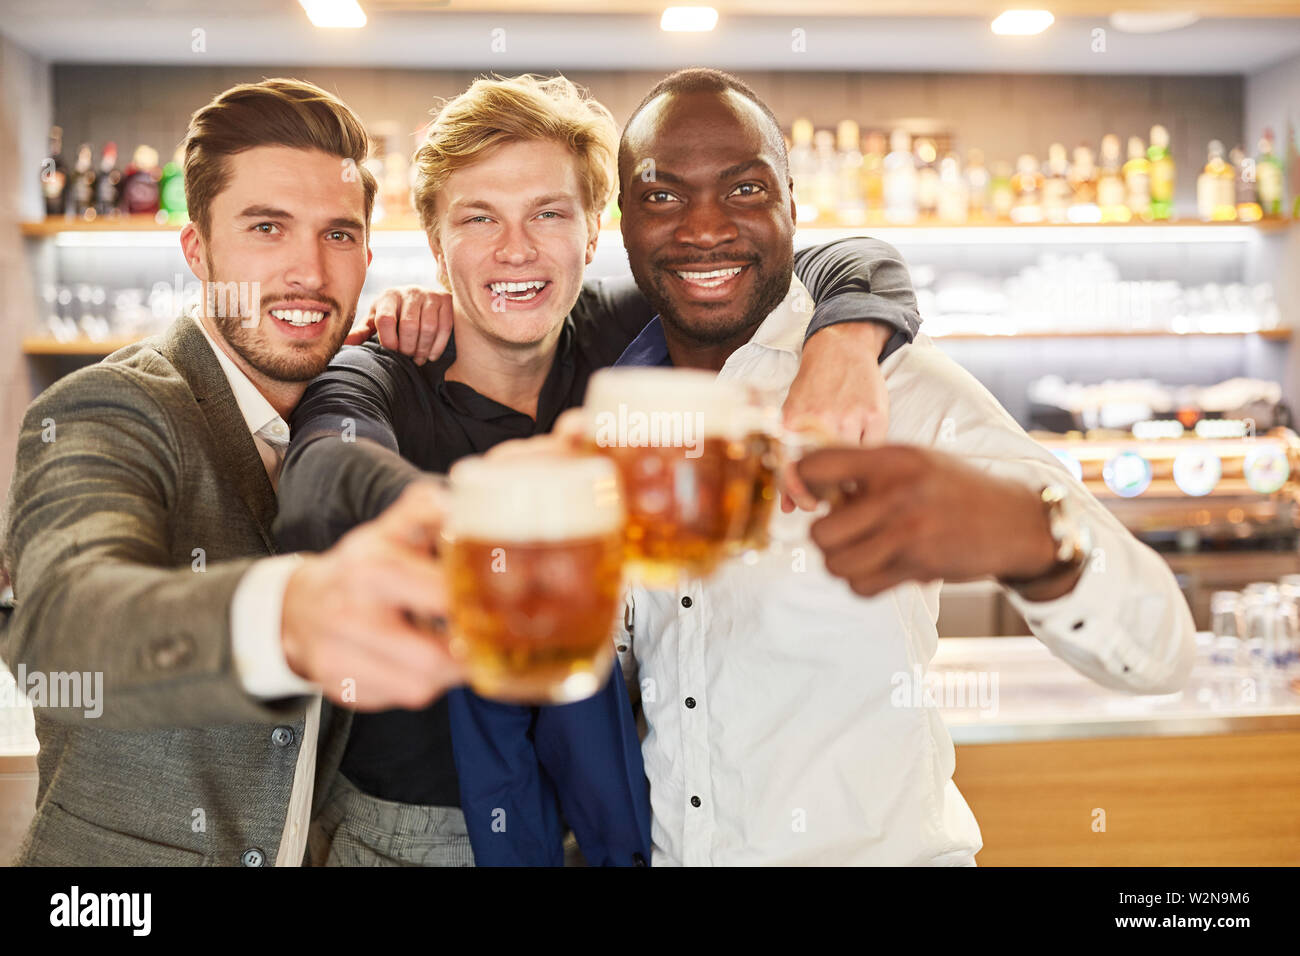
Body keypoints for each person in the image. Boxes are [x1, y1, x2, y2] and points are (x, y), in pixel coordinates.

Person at [274, 73, 923, 866]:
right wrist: (491, 515)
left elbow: (835, 258)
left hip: (618, 814)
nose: (516, 249)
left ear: (593, 234)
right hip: (421, 836)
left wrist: (848, 339)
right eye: (480, 218)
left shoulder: (623, 344)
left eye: (547, 213)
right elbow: (316, 485)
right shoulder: (376, 376)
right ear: (436, 243)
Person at [609, 68, 1196, 865]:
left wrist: (1035, 541)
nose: (704, 228)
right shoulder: (610, 402)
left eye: (744, 189)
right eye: (663, 195)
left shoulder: (897, 386)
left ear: (792, 204)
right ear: (622, 220)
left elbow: (1160, 653)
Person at [0, 78, 461, 867]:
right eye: (267, 227)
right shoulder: (109, 406)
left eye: (338, 235)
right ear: (196, 249)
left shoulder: (357, 407)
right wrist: (288, 615)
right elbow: (58, 631)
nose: (308, 272)